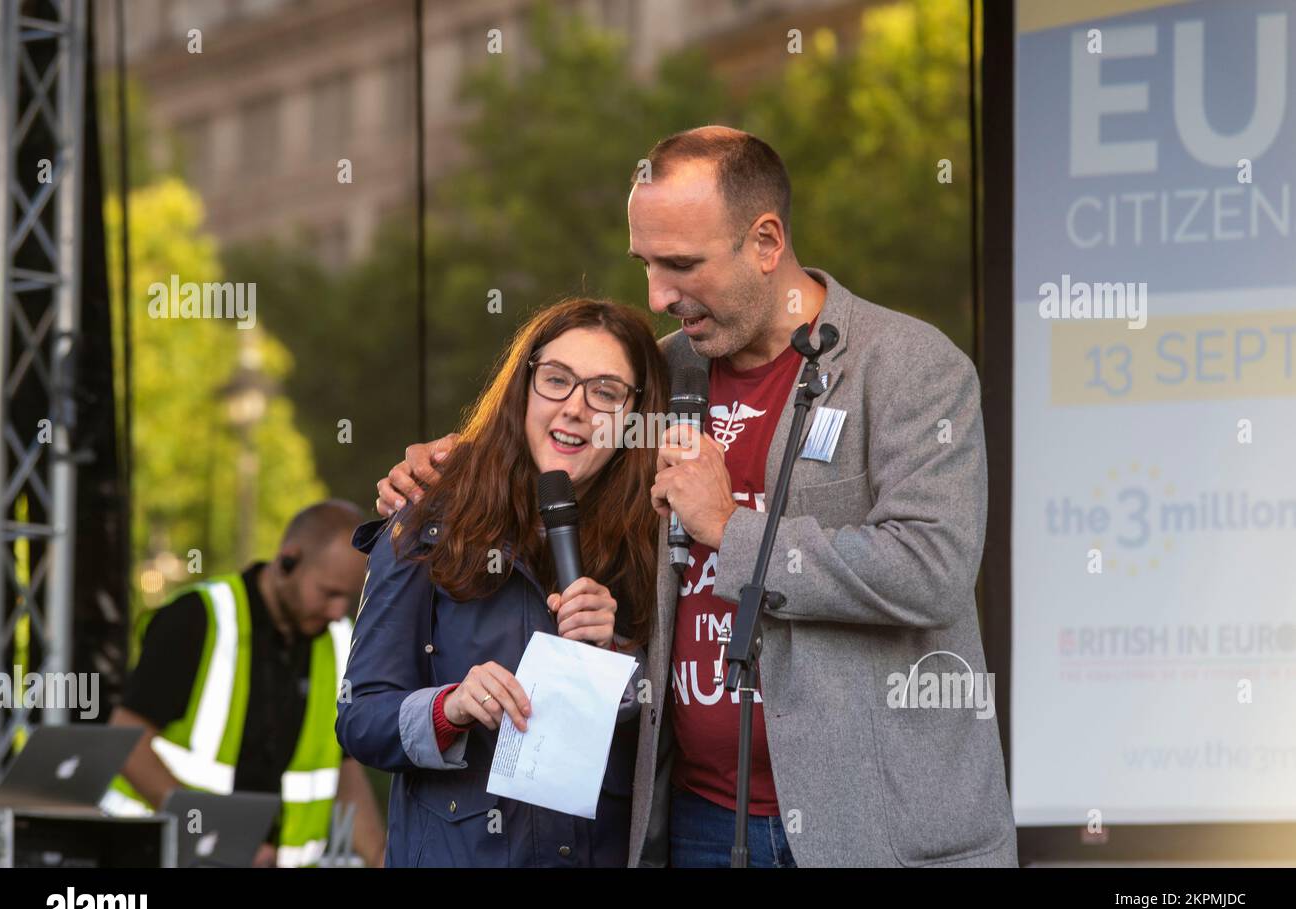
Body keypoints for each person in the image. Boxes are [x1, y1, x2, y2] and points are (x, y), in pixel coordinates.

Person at [377, 127, 1017, 868]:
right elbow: (557, 455)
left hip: (878, 829)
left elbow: (932, 565)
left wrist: (730, 528)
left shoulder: (907, 365)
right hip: (699, 820)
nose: (658, 296)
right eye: (646, 264)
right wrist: (447, 469)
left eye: (682, 265)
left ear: (767, 241)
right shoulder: (664, 372)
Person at [338, 297, 669, 867]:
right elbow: (360, 717)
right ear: (523, 387)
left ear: (638, 414)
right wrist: (450, 708)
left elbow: (679, 732)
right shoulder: (428, 517)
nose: (575, 409)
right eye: (557, 380)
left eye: (607, 393)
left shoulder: (656, 536)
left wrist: (617, 655)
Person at [102, 500, 386, 868]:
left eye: (347, 599)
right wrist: (217, 836)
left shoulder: (338, 641)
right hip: (163, 856)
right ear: (288, 559)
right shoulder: (198, 618)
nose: (336, 611)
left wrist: (382, 857)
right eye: (328, 593)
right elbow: (127, 741)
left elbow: (343, 767)